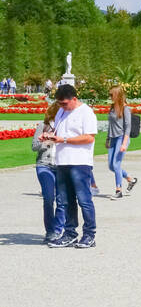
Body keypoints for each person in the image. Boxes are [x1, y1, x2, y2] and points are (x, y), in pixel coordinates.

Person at [44, 83, 99, 248]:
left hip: (80, 162)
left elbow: (89, 137)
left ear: (74, 99)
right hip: (62, 161)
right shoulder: (61, 111)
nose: (61, 106)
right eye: (59, 103)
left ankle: (89, 234)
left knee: (84, 200)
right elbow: (59, 133)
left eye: (64, 103)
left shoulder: (86, 112)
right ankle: (70, 233)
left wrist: (64, 140)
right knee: (65, 201)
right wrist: (49, 136)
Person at [32, 102, 59, 242]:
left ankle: (58, 229)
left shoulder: (65, 128)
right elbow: (34, 146)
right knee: (49, 198)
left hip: (61, 166)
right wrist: (46, 142)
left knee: (62, 200)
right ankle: (50, 231)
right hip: (44, 165)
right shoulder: (43, 126)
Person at [105, 85, 139, 199]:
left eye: (112, 95)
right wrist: (107, 139)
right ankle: (131, 179)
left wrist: (124, 143)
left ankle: (118, 190)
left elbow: (127, 127)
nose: (110, 97)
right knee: (111, 166)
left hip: (121, 138)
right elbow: (111, 125)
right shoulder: (112, 107)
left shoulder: (125, 109)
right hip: (113, 138)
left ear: (117, 95)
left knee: (116, 164)